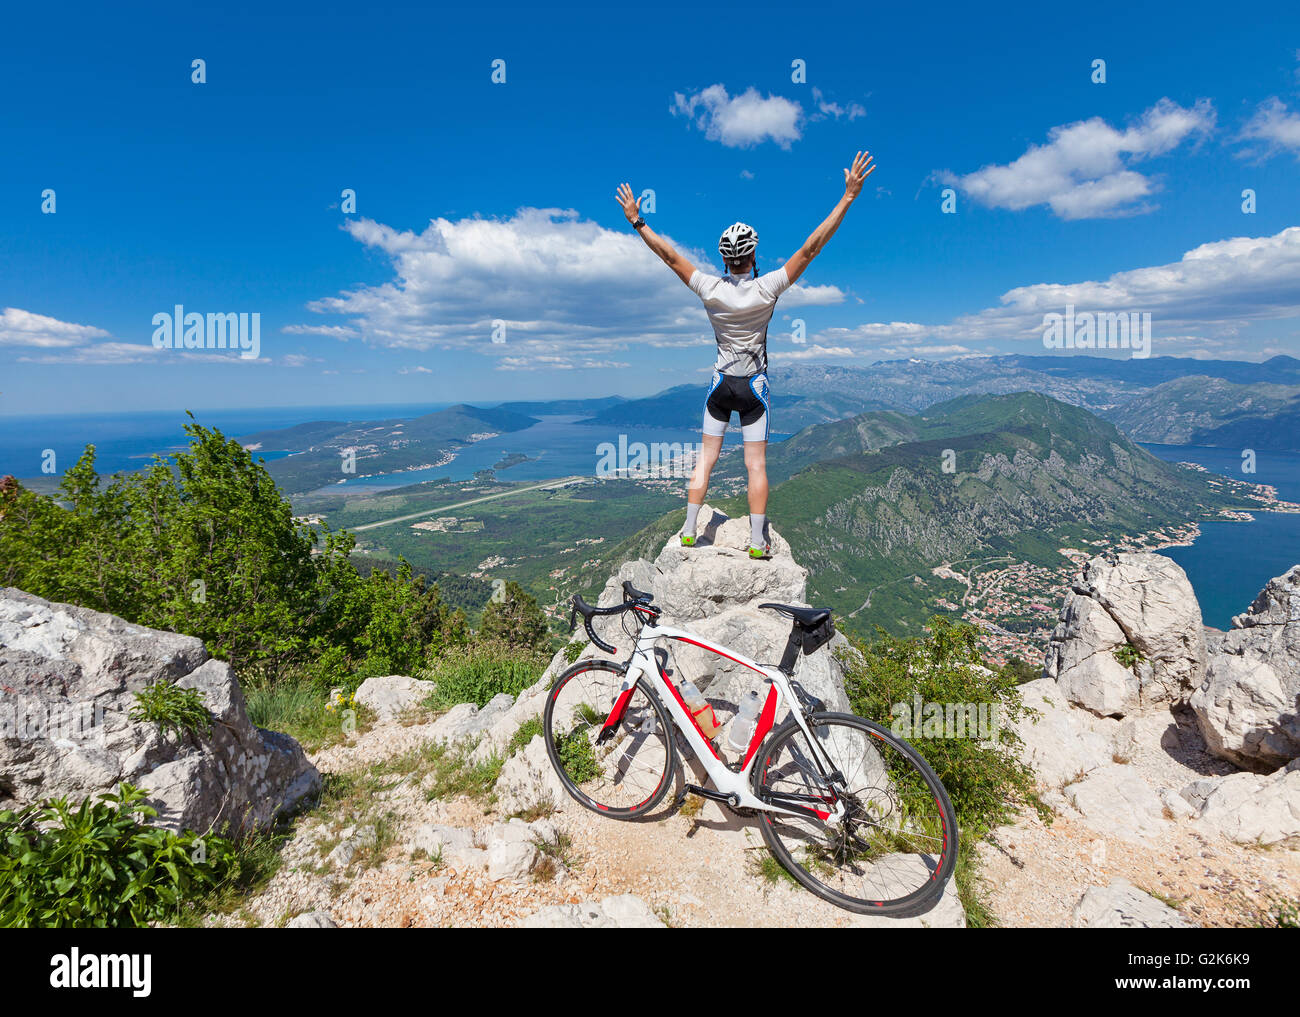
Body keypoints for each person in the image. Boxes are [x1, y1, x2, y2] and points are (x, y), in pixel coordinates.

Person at [615, 150, 875, 558]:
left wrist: (636, 219)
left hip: (720, 385)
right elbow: (810, 249)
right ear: (752, 257)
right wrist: (848, 197)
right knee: (755, 465)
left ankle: (688, 531)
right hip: (754, 386)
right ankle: (757, 541)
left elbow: (667, 255)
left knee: (706, 459)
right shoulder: (767, 287)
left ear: (724, 259)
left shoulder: (708, 288)